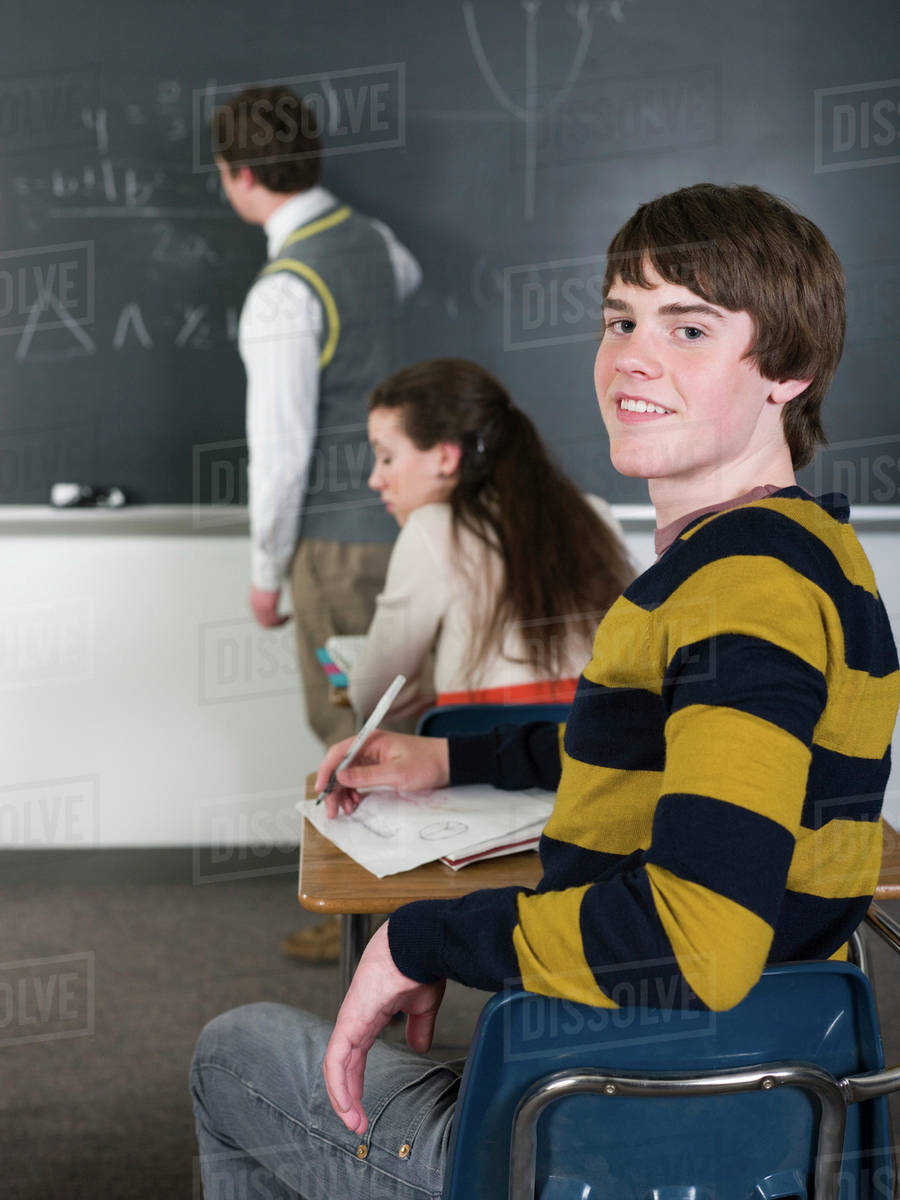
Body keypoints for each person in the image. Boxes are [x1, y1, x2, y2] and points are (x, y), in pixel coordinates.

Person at [191, 183, 900, 1200]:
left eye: (689, 326)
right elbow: (679, 746)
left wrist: (424, 934)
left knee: (233, 1050)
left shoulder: (742, 594)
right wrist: (457, 753)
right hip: (771, 1122)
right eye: (621, 319)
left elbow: (697, 940)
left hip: (603, 1134)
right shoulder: (808, 553)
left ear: (786, 369)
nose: (631, 358)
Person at [212, 85, 422, 748]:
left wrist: (265, 574)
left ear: (241, 175)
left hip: (337, 549)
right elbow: (406, 282)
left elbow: (281, 453)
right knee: (409, 728)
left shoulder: (282, 293)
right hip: (410, 528)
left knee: (355, 743)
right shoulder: (380, 242)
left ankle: (368, 858)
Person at [346, 356, 635, 724]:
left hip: (481, 767)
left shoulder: (431, 528)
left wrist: (428, 697)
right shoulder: (595, 514)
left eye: (386, 457)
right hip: (592, 761)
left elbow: (369, 695)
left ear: (445, 457)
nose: (376, 479)